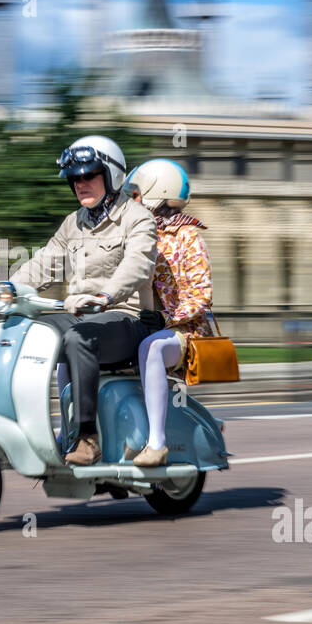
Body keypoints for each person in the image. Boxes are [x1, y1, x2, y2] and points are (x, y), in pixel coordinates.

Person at [0, 135, 156, 465]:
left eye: (89, 175)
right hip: (84, 316)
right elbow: (43, 263)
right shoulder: (74, 224)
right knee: (26, 328)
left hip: (127, 319)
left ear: (111, 176)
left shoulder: (137, 218)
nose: (80, 183)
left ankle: (87, 438)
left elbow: (137, 265)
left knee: (77, 339)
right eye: (74, 178)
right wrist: (3, 294)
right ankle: (15, 424)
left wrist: (104, 296)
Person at [122, 159, 214, 467]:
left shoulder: (188, 237)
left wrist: (167, 318)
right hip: (147, 324)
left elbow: (202, 295)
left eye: (136, 194)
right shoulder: (136, 233)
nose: (130, 199)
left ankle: (157, 444)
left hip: (186, 332)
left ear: (155, 192)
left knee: (153, 347)